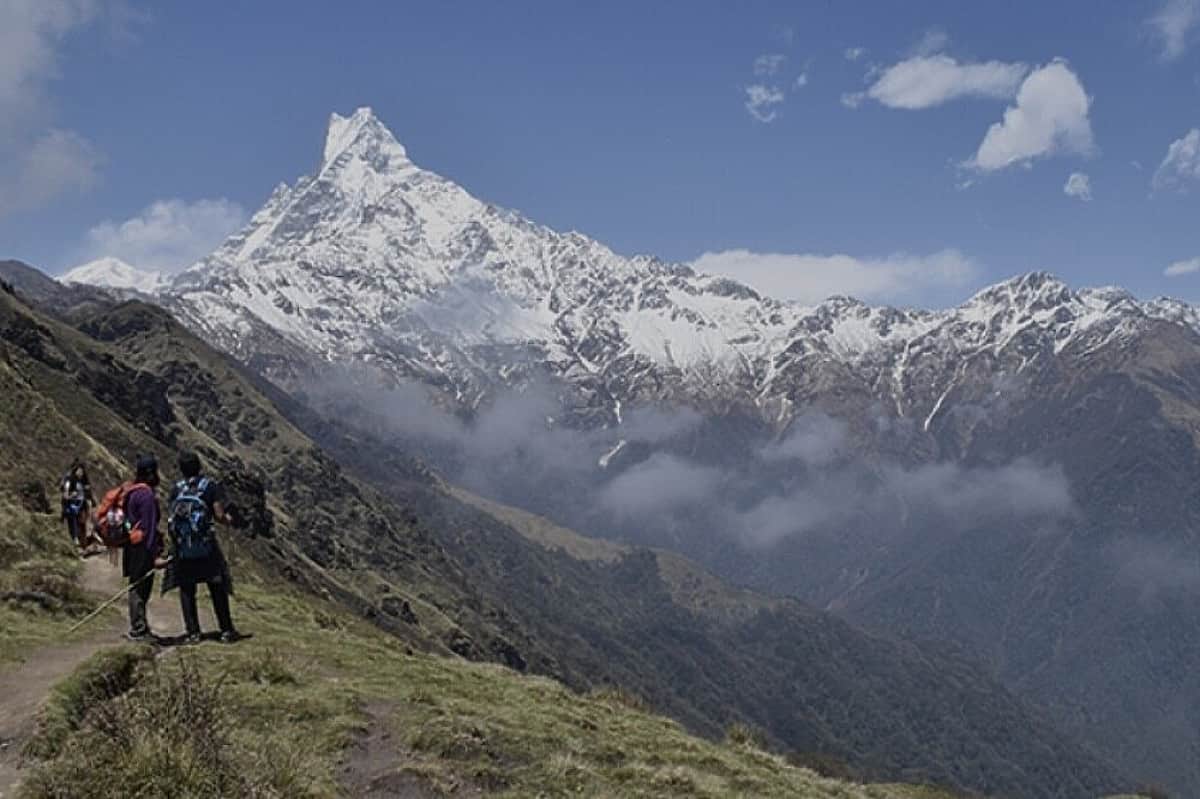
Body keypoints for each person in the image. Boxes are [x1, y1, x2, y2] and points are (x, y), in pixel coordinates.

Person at [168, 450, 240, 644]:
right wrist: (229, 519)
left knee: (187, 589)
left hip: (184, 547)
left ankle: (193, 633)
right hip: (206, 546)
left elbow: (172, 516)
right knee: (217, 586)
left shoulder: (177, 488)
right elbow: (218, 515)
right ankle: (225, 630)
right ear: (199, 466)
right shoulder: (209, 487)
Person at [123, 455, 162, 641]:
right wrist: (154, 555)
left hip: (132, 545)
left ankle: (139, 626)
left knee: (135, 585)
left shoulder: (132, 492)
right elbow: (149, 526)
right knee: (140, 588)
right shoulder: (147, 495)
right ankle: (139, 629)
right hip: (143, 548)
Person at [61, 460, 95, 552]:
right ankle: (76, 546)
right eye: (79, 471)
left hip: (82, 506)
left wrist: (90, 500)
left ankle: (84, 545)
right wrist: (71, 496)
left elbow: (88, 494)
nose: (80, 473)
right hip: (71, 507)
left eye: (82, 471)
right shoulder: (70, 480)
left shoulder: (84, 482)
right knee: (74, 526)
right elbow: (65, 494)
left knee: (82, 525)